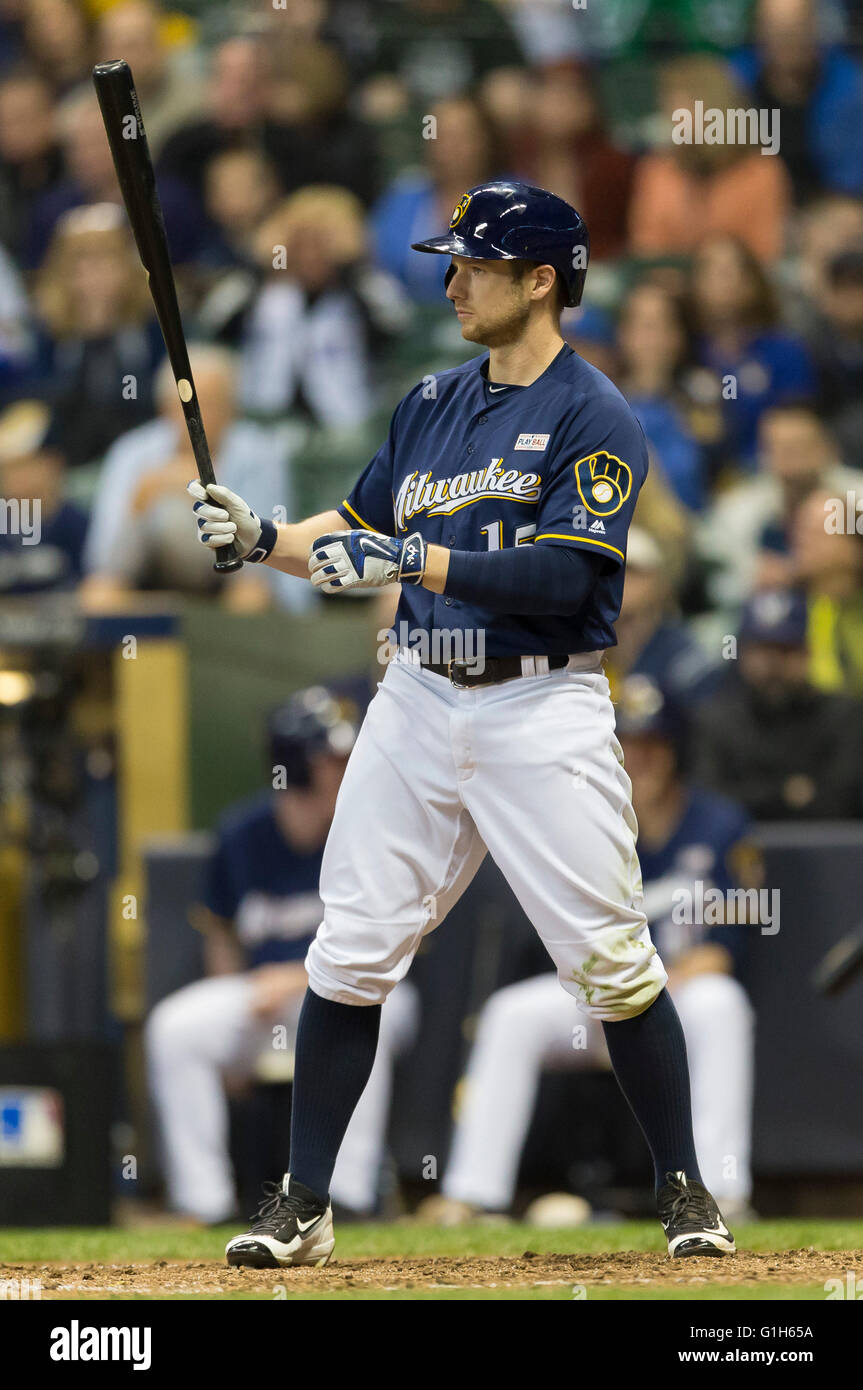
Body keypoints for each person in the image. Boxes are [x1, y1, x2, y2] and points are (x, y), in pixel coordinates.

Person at [188, 179, 737, 1267]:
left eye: (475, 264)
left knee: (613, 961)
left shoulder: (594, 412)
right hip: (418, 694)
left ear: (541, 280)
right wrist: (261, 538)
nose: (451, 281)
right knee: (346, 950)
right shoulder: (429, 403)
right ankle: (303, 1199)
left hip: (543, 699)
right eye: (452, 261)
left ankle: (685, 1190)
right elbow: (351, 528)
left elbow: (564, 571)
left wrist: (412, 558)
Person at [423, 677, 756, 1224]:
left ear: (676, 752)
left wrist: (645, 989)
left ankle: (722, 1190)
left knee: (722, 1003)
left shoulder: (721, 825)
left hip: (682, 994)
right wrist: (608, 990)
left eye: (655, 747)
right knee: (512, 1014)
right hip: (594, 991)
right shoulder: (579, 816)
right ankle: (471, 1194)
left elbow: (722, 953)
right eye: (632, 745)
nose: (642, 760)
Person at [145, 688, 418, 1224]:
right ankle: (206, 1203)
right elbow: (221, 936)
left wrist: (296, 978)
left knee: (365, 1008)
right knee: (173, 1028)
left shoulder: (375, 827)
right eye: (333, 759)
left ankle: (352, 1195)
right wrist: (237, 1021)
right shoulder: (242, 834)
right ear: (296, 766)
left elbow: (405, 939)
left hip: (368, 986)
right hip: (271, 1003)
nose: (349, 768)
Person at [81, 345, 309, 612]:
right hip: (152, 580)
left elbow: (264, 555)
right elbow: (102, 559)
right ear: (165, 407)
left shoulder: (260, 454)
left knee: (251, 597)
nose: (195, 415)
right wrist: (141, 499)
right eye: (185, 403)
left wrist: (213, 497)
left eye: (210, 403)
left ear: (232, 408)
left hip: (234, 580)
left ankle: (223, 650)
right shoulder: (132, 452)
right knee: (98, 593)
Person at [692, 588, 863, 818]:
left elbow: (843, 802)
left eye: (785, 651)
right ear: (743, 655)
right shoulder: (716, 720)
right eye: (763, 651)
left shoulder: (843, 716)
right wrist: (784, 794)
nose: (773, 665)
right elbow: (706, 802)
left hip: (827, 850)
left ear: (807, 654)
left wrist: (750, 795)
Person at [627, 54, 792, 263]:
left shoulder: (762, 172)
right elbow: (647, 249)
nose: (667, 116)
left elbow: (766, 253)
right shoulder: (656, 170)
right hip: (674, 287)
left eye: (676, 105)